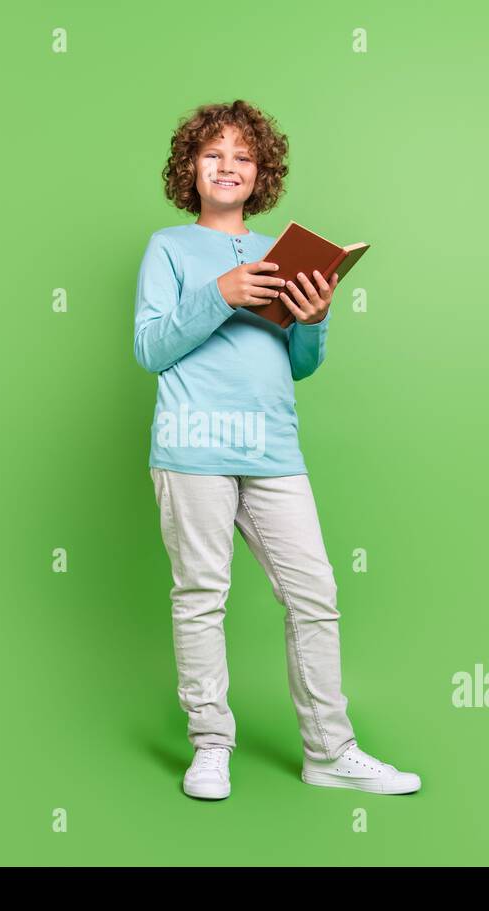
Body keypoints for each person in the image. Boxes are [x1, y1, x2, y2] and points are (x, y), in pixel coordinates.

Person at [134, 99, 421, 800]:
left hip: (272, 449)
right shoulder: (168, 248)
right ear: (189, 169)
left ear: (261, 173)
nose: (227, 166)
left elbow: (297, 365)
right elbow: (150, 347)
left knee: (315, 594)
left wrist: (314, 321)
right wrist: (221, 294)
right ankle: (210, 747)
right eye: (212, 154)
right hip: (192, 445)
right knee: (202, 596)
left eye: (242, 156)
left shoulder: (274, 253)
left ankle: (330, 750)